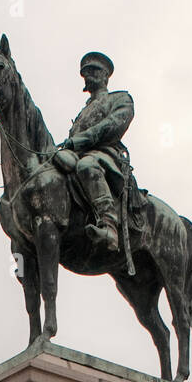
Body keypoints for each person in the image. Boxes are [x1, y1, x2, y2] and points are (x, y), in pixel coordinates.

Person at [52, 52, 134, 252]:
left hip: (104, 154)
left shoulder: (120, 98)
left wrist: (78, 141)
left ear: (106, 75)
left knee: (86, 165)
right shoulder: (83, 111)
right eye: (85, 73)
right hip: (76, 153)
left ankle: (109, 225)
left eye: (94, 71)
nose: (89, 76)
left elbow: (110, 126)